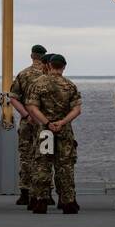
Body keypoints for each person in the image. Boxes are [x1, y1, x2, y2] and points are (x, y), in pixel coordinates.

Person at [26, 54, 82, 213]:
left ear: (49, 65)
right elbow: (77, 110)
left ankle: (41, 201)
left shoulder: (38, 83)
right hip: (64, 131)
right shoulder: (70, 85)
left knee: (43, 165)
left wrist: (47, 123)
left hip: (45, 131)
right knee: (65, 166)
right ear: (64, 67)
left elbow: (32, 107)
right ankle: (68, 202)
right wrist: (62, 122)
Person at [9, 44, 48, 205]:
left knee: (26, 155)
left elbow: (13, 98)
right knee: (45, 156)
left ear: (32, 56)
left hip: (27, 121)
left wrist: (26, 115)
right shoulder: (48, 76)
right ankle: (45, 192)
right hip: (45, 122)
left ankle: (25, 192)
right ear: (45, 56)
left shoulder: (23, 74)